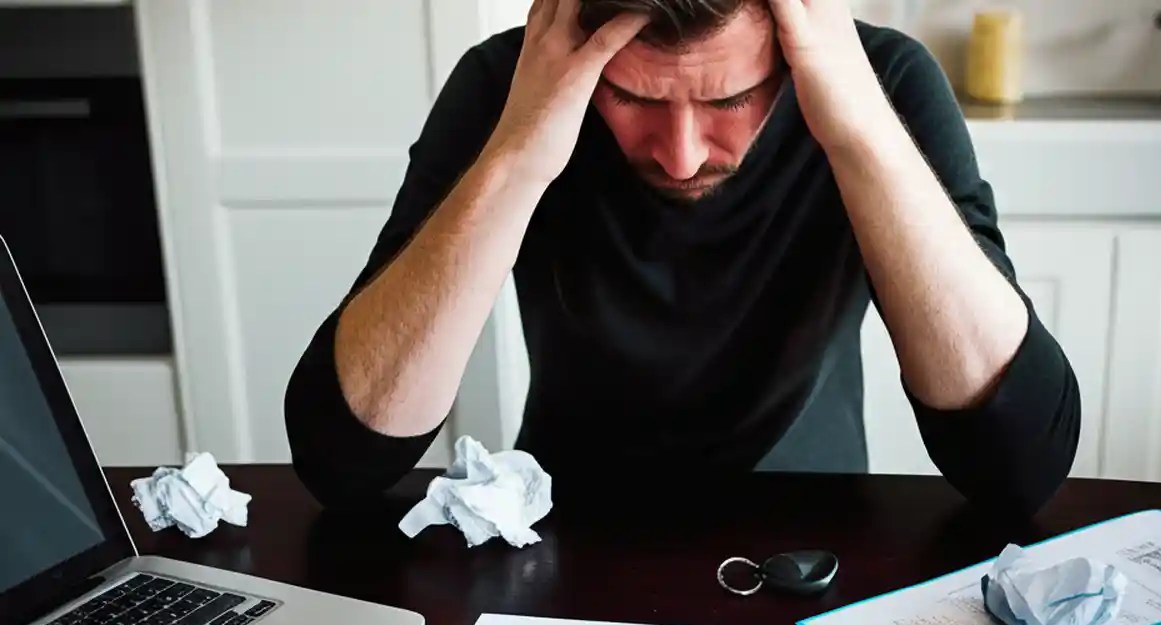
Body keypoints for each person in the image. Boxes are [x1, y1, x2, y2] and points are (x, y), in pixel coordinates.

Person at [283, 0, 1081, 515]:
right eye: (631, 97)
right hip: (567, 530)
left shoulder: (881, 83)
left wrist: (860, 130)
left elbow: (1019, 470)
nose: (679, 154)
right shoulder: (510, 84)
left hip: (814, 535)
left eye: (730, 99)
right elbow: (341, 459)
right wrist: (521, 151)